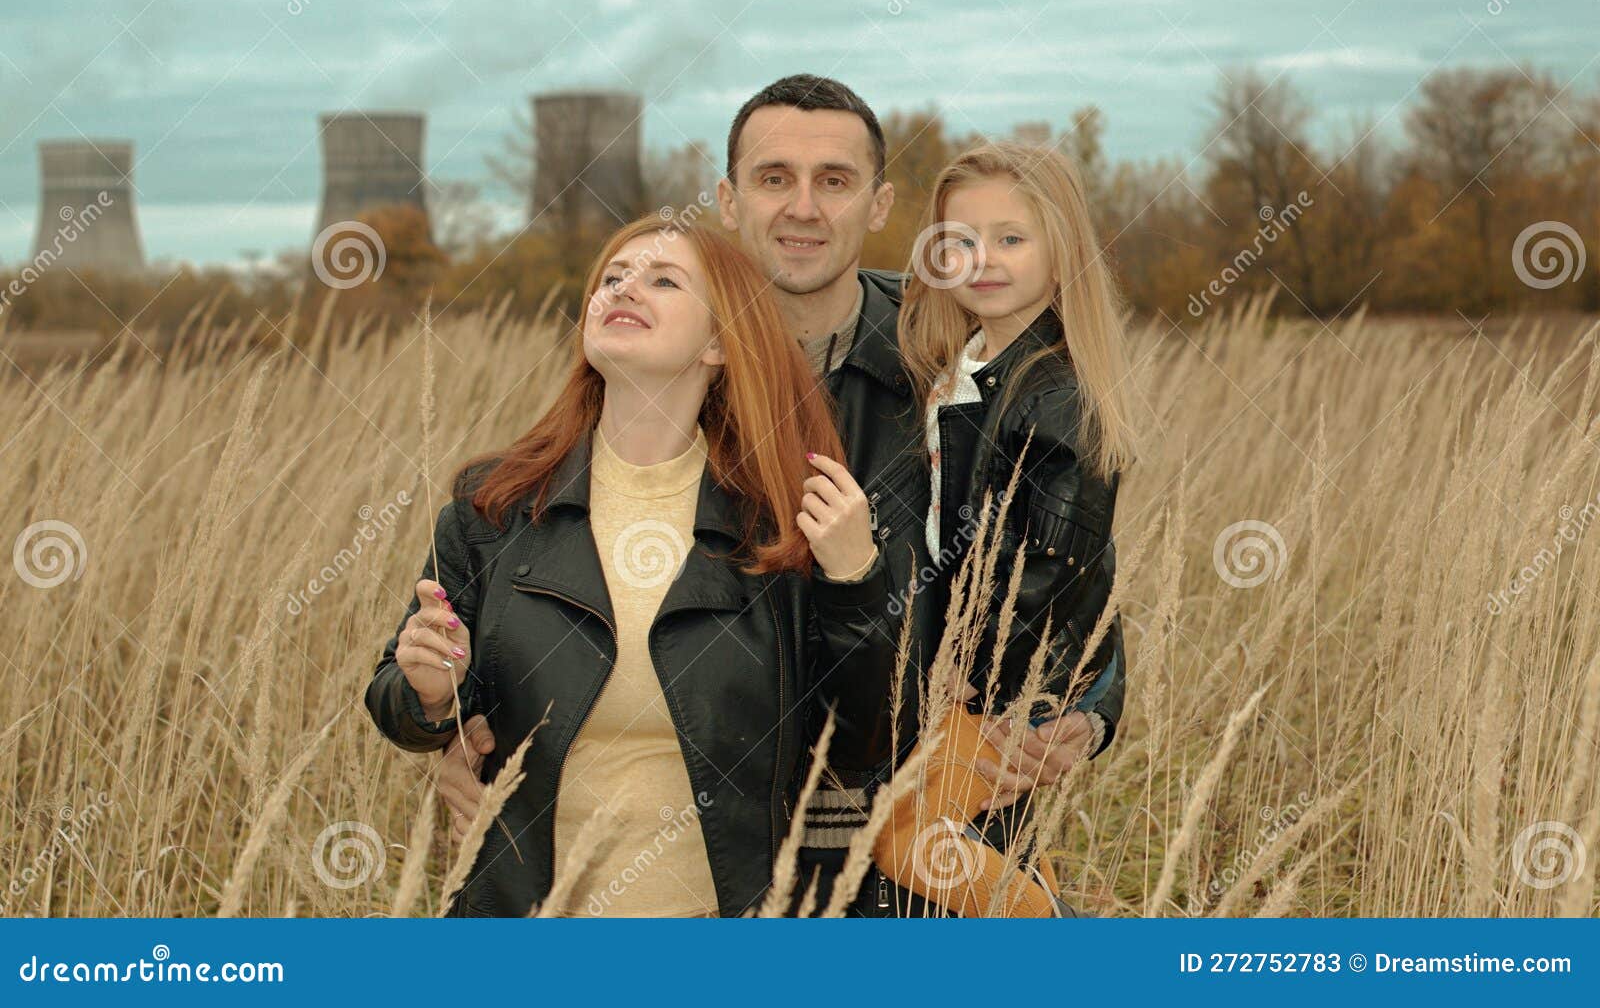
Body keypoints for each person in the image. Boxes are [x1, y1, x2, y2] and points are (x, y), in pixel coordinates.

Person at [432, 75, 1129, 916]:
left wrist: (1081, 715)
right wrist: (459, 727)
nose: (803, 207)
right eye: (773, 179)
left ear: (879, 204)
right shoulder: (662, 367)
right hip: (728, 861)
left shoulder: (955, 360)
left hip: (916, 854)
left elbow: (1067, 562)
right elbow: (554, 590)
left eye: (834, 181)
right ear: (727, 199)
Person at [364, 216, 898, 917]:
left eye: (663, 280)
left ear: (718, 342)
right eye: (613, 277)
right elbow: (397, 702)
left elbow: (864, 735)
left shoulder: (784, 522)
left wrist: (856, 580)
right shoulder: (495, 506)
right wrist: (428, 697)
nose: (626, 288)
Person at [882, 138, 1141, 914]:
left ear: (1061, 255)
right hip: (971, 675)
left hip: (1007, 681)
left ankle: (1053, 934)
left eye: (1011, 239)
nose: (983, 260)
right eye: (961, 241)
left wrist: (982, 665)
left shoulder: (1056, 391)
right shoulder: (961, 369)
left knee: (901, 834)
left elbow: (1058, 562)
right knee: (999, 840)